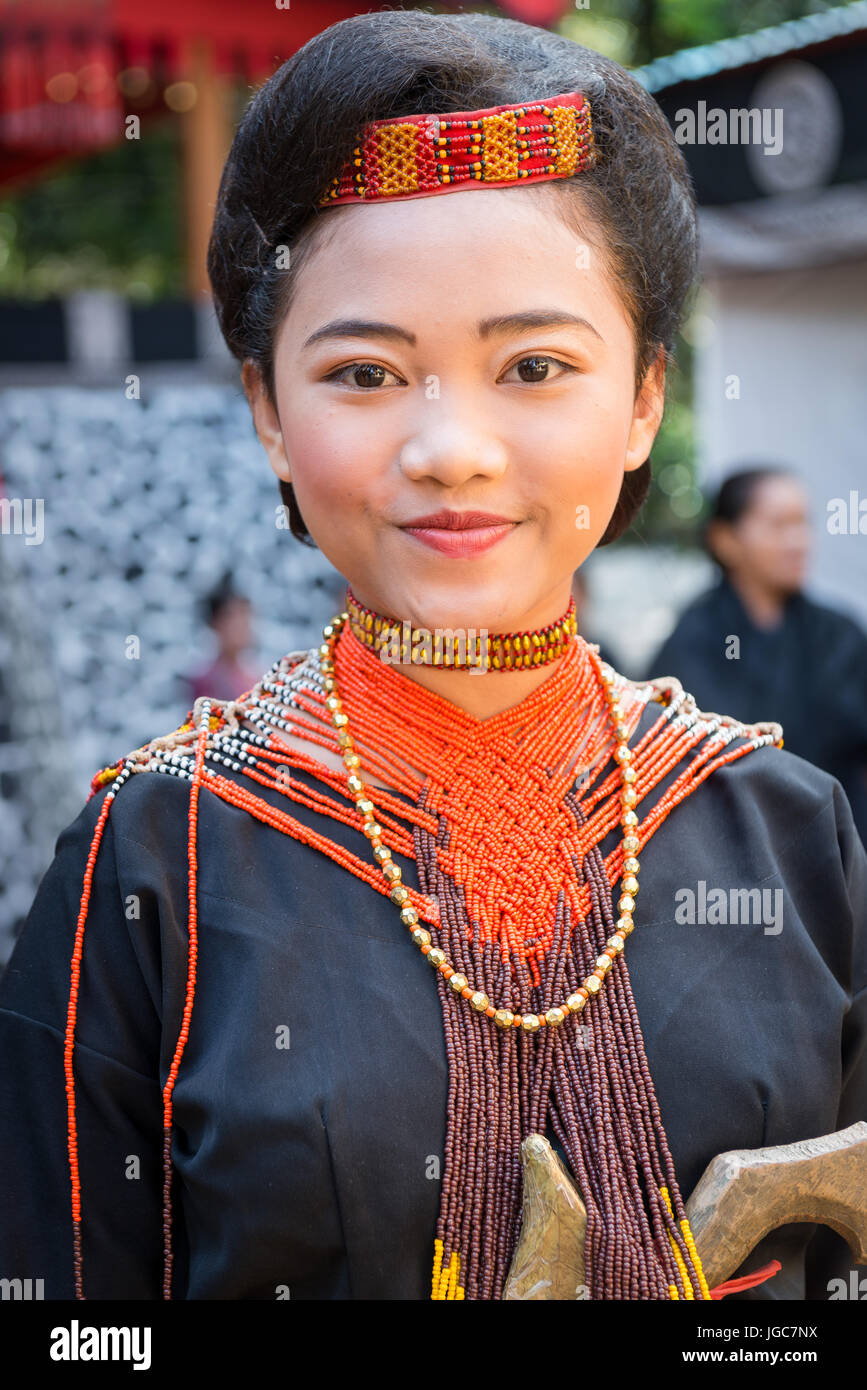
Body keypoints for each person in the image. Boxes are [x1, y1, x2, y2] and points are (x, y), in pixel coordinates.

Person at [1, 11, 865, 1303]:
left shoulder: (787, 829)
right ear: (267, 411)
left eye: (532, 364)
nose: (450, 447)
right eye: (363, 373)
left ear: (640, 399)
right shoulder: (153, 862)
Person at [645, 467, 867, 848]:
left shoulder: (838, 634)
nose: (799, 541)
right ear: (725, 539)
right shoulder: (696, 640)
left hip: (838, 850)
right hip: (735, 859)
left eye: (803, 524)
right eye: (780, 525)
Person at [185, 570, 259, 704]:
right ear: (217, 624)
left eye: (246, 619)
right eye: (235, 621)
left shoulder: (256, 676)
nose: (243, 628)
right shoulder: (207, 681)